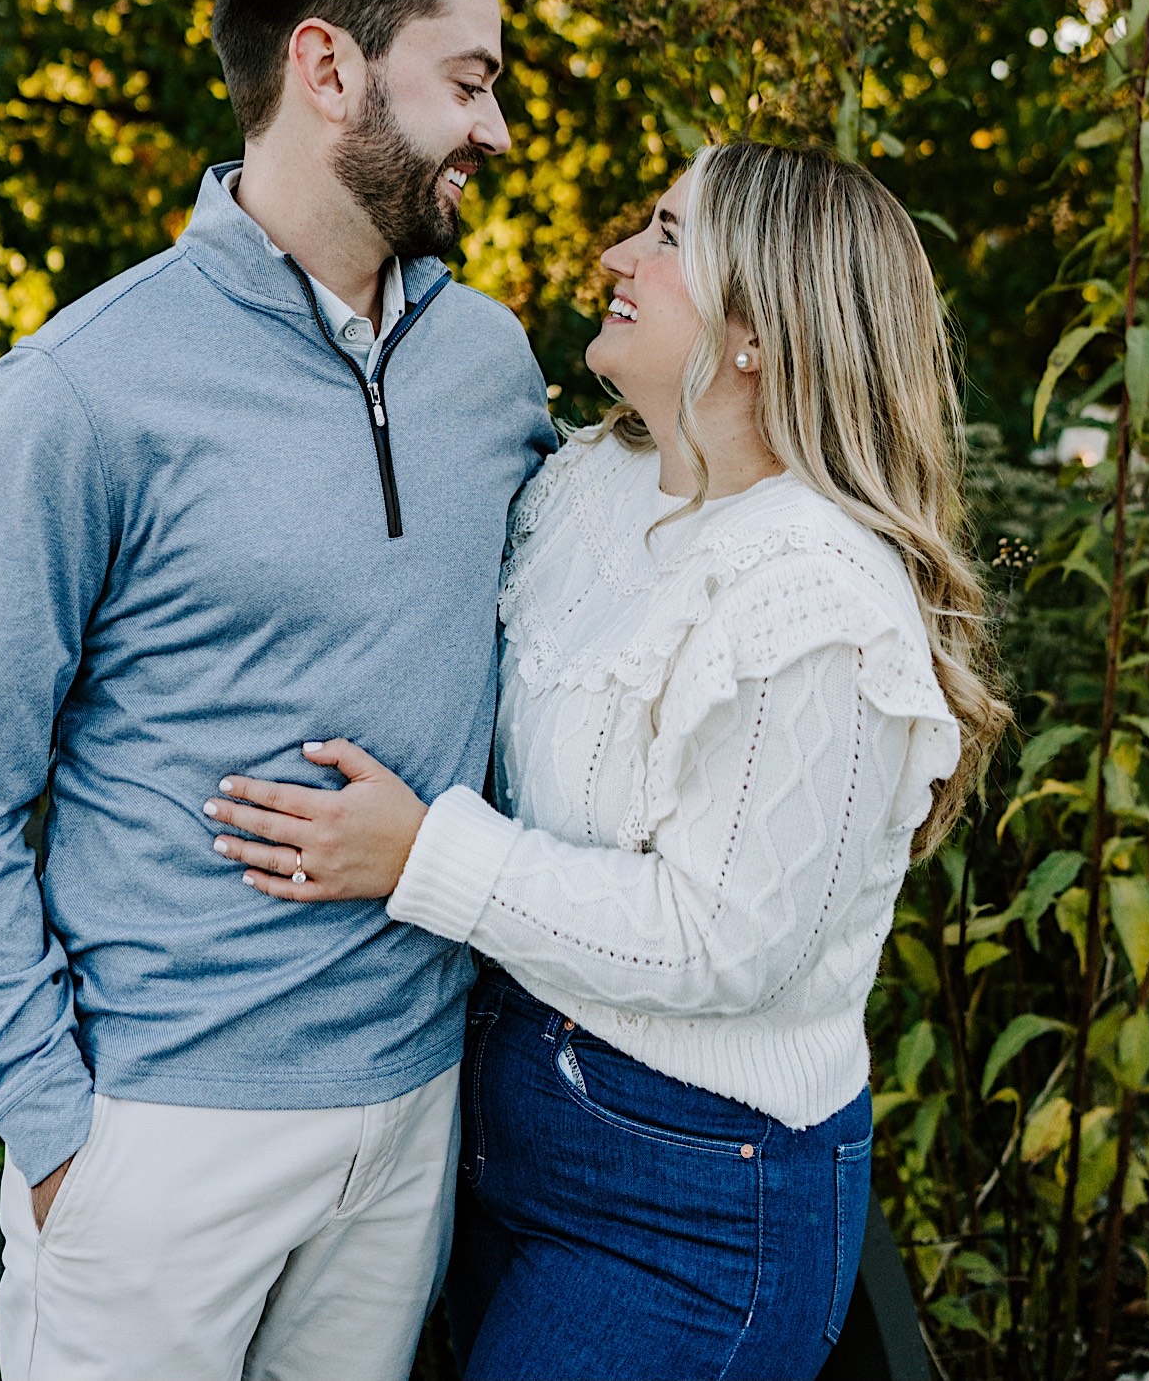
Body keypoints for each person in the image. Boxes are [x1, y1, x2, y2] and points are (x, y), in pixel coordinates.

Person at [0, 0, 555, 1381]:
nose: (495, 128)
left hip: (413, 1112)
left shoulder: (494, 362)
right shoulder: (81, 391)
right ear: (328, 68)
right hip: (160, 1137)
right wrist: (62, 1135)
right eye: (467, 80)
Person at [208, 139, 1012, 1381]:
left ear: (760, 326)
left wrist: (424, 856)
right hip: (499, 1115)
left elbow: (722, 941)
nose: (616, 256)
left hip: (695, 1196)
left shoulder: (816, 599)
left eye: (670, 235)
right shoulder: (588, 485)